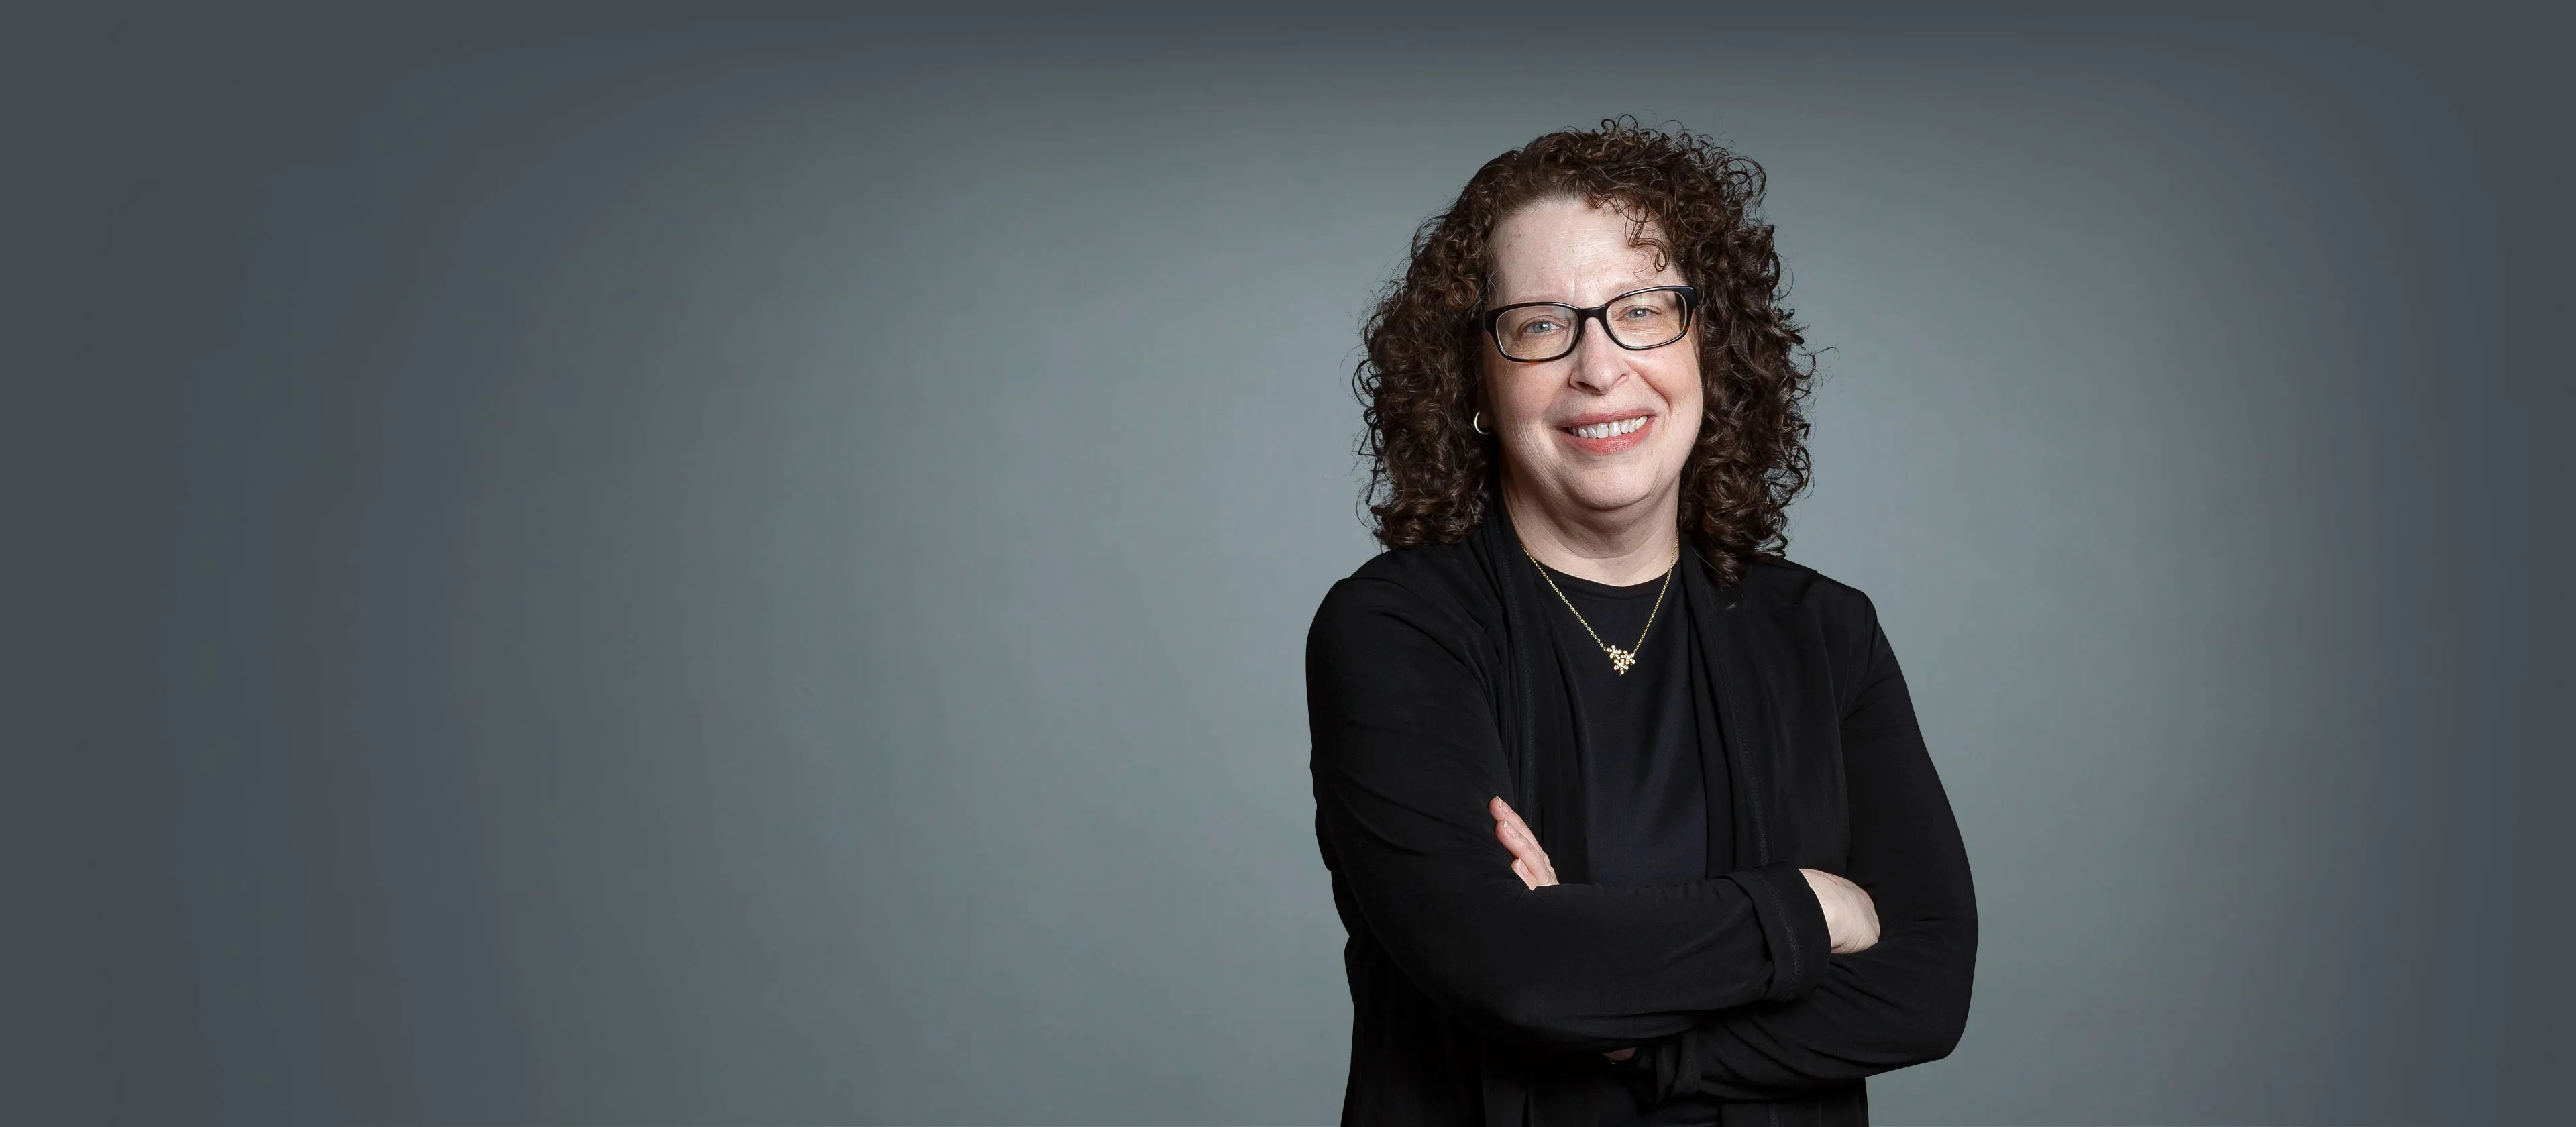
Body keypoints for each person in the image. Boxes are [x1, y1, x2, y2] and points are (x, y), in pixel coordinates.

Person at [1305, 118, 1978, 1126]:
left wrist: (1630, 1033)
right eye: (1541, 325)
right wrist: (1806, 907)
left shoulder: (1825, 634)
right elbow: (1513, 971)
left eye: (1643, 311)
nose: (1600, 366)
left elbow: (1925, 990)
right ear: (1475, 377)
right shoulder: (1394, 631)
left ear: (1709, 343)